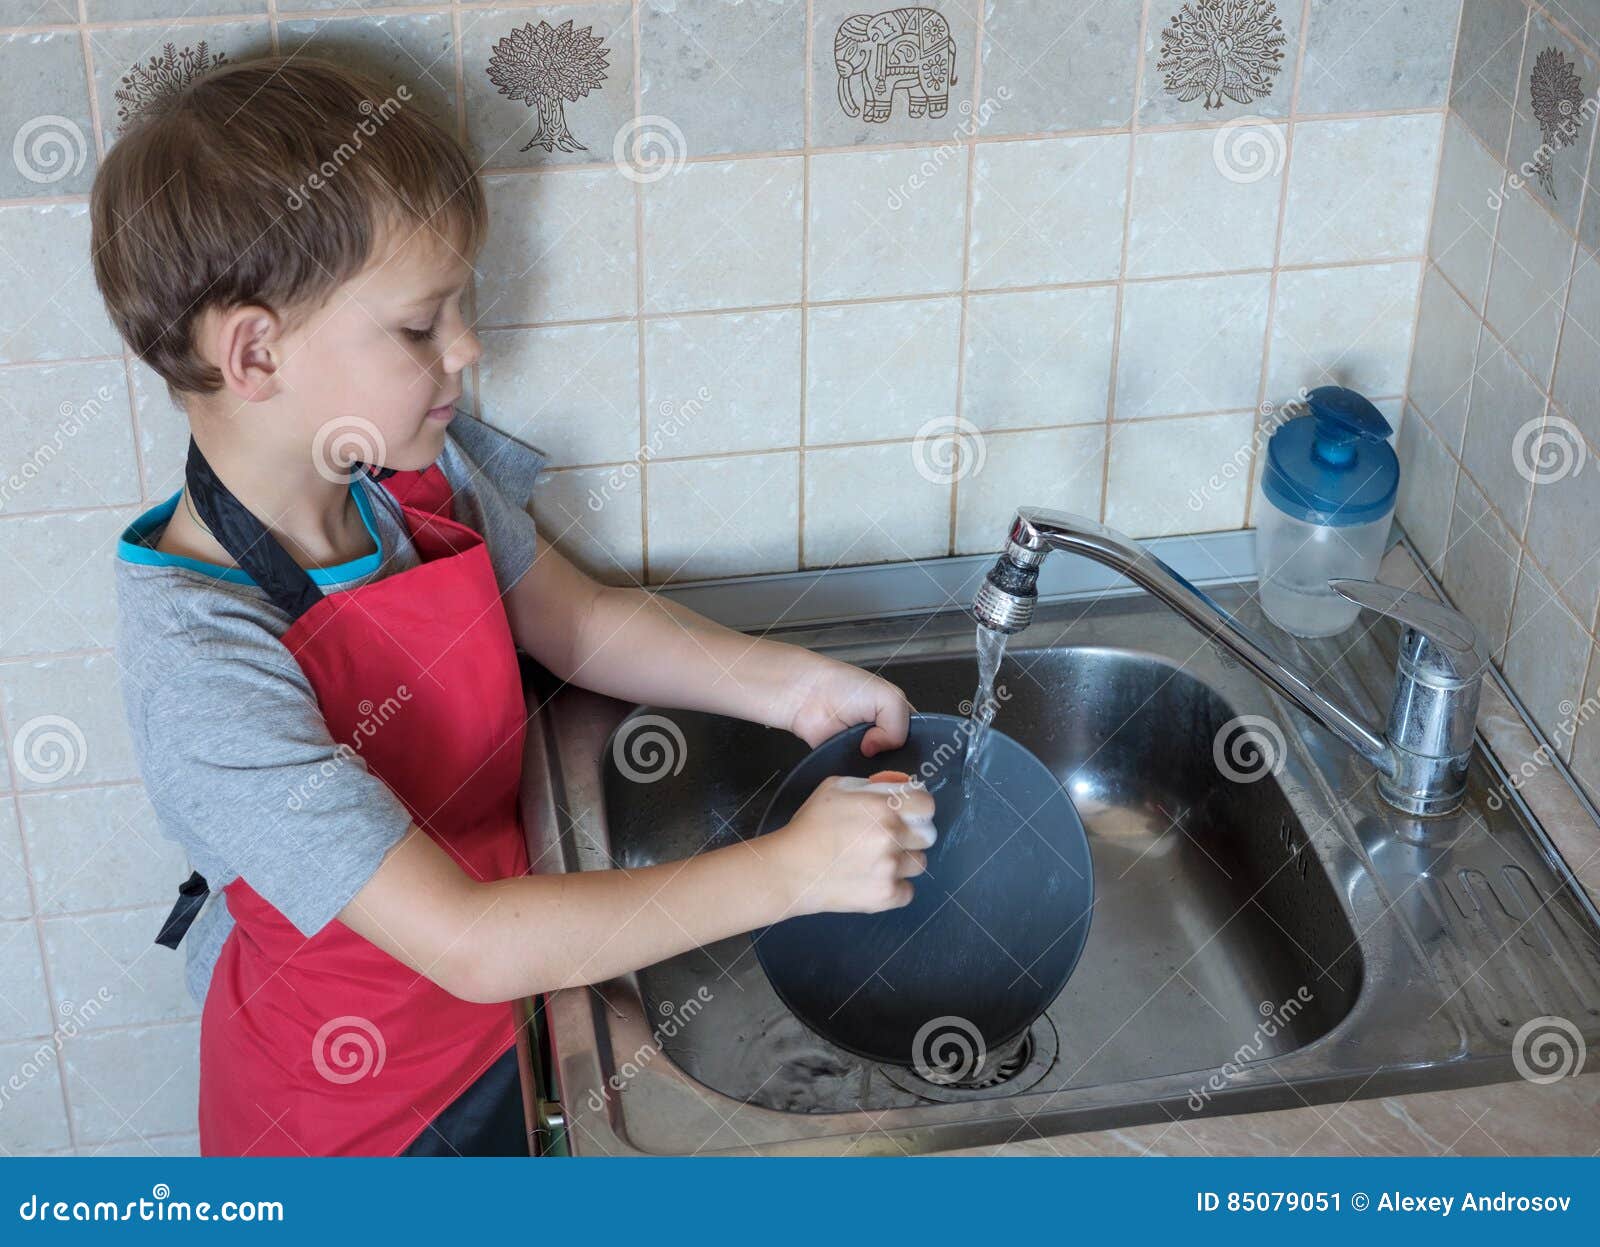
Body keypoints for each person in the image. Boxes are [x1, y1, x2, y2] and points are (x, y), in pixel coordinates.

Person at [92, 56, 933, 1158]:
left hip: (519, 1009)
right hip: (363, 1124)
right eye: (418, 325)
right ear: (254, 351)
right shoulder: (202, 659)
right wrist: (790, 872)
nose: (468, 350)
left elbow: (574, 621)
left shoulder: (416, 479)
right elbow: (467, 941)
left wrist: (788, 684)